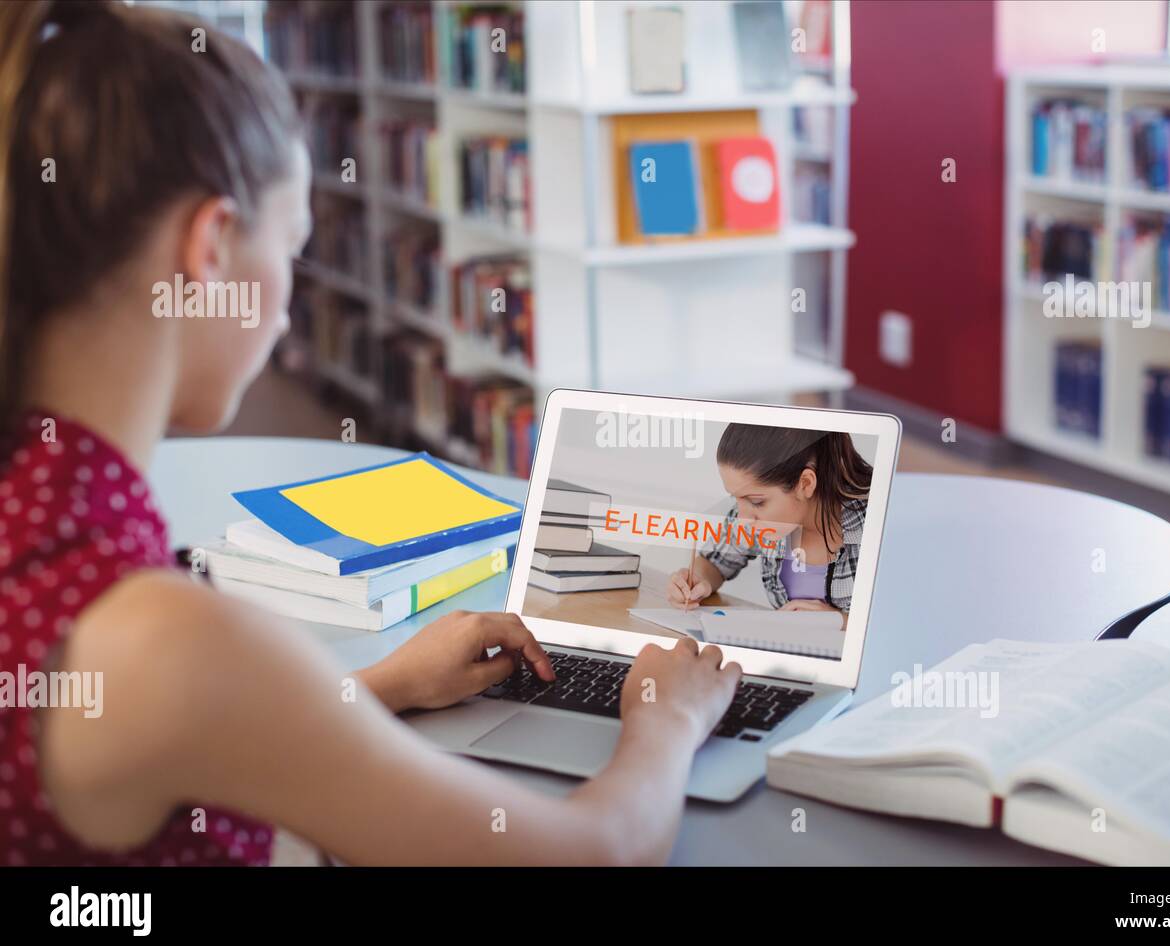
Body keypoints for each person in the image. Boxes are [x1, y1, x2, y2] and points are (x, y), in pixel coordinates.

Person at [0, 0, 740, 867]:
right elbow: (593, 854)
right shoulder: (163, 640)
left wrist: (378, 687)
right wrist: (669, 720)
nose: (284, 314)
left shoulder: (53, 542)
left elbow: (165, 726)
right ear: (211, 245)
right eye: (295, 247)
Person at [666, 424, 873, 628]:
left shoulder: (876, 525)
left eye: (756, 502)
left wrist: (843, 622)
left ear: (806, 484)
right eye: (735, 498)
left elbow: (897, 624)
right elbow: (715, 563)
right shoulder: (755, 518)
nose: (743, 519)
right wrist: (696, 581)